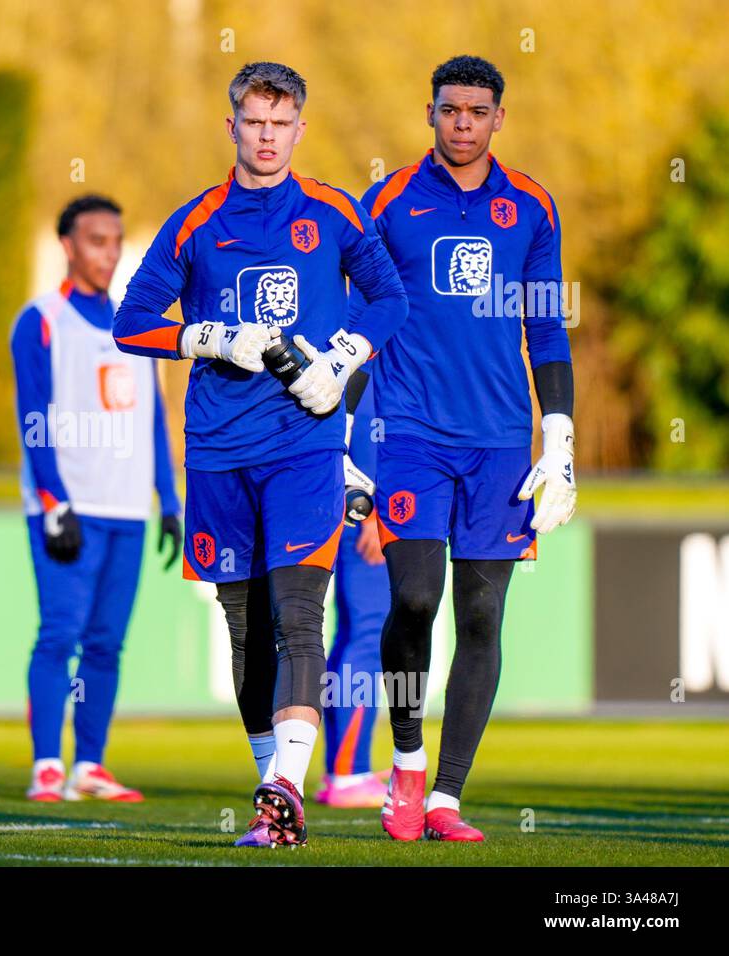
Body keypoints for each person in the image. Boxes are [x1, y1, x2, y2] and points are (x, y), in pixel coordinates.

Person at [113, 63, 408, 846]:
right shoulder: (195, 222)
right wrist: (209, 337)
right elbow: (130, 320)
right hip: (215, 451)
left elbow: (392, 298)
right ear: (232, 127)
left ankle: (286, 783)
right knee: (242, 627)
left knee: (299, 617)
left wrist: (339, 361)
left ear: (300, 130)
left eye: (281, 124)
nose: (268, 137)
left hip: (305, 449)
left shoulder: (335, 211)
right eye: (254, 122)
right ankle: (270, 786)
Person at [355, 56, 576, 842]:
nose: (463, 123)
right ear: (430, 113)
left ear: (498, 119)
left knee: (483, 614)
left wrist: (559, 432)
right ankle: (406, 762)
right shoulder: (385, 202)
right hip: (411, 436)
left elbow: (546, 326)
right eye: (450, 110)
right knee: (415, 599)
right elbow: (360, 328)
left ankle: (445, 796)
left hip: (499, 446)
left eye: (478, 111)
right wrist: (348, 442)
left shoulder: (534, 208)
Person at [11, 194, 182, 802]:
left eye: (115, 240)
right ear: (67, 245)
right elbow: (34, 417)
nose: (108, 252)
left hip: (128, 510)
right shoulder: (41, 320)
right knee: (59, 633)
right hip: (69, 509)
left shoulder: (140, 324)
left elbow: (155, 418)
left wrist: (169, 498)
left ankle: (90, 763)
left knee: (107, 642)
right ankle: (46, 766)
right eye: (95, 240)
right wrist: (54, 499)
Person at [316, 376, 392, 808]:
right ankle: (347, 772)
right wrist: (371, 509)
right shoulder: (369, 354)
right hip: (366, 517)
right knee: (366, 637)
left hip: (359, 509)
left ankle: (342, 769)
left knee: (354, 636)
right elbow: (363, 427)